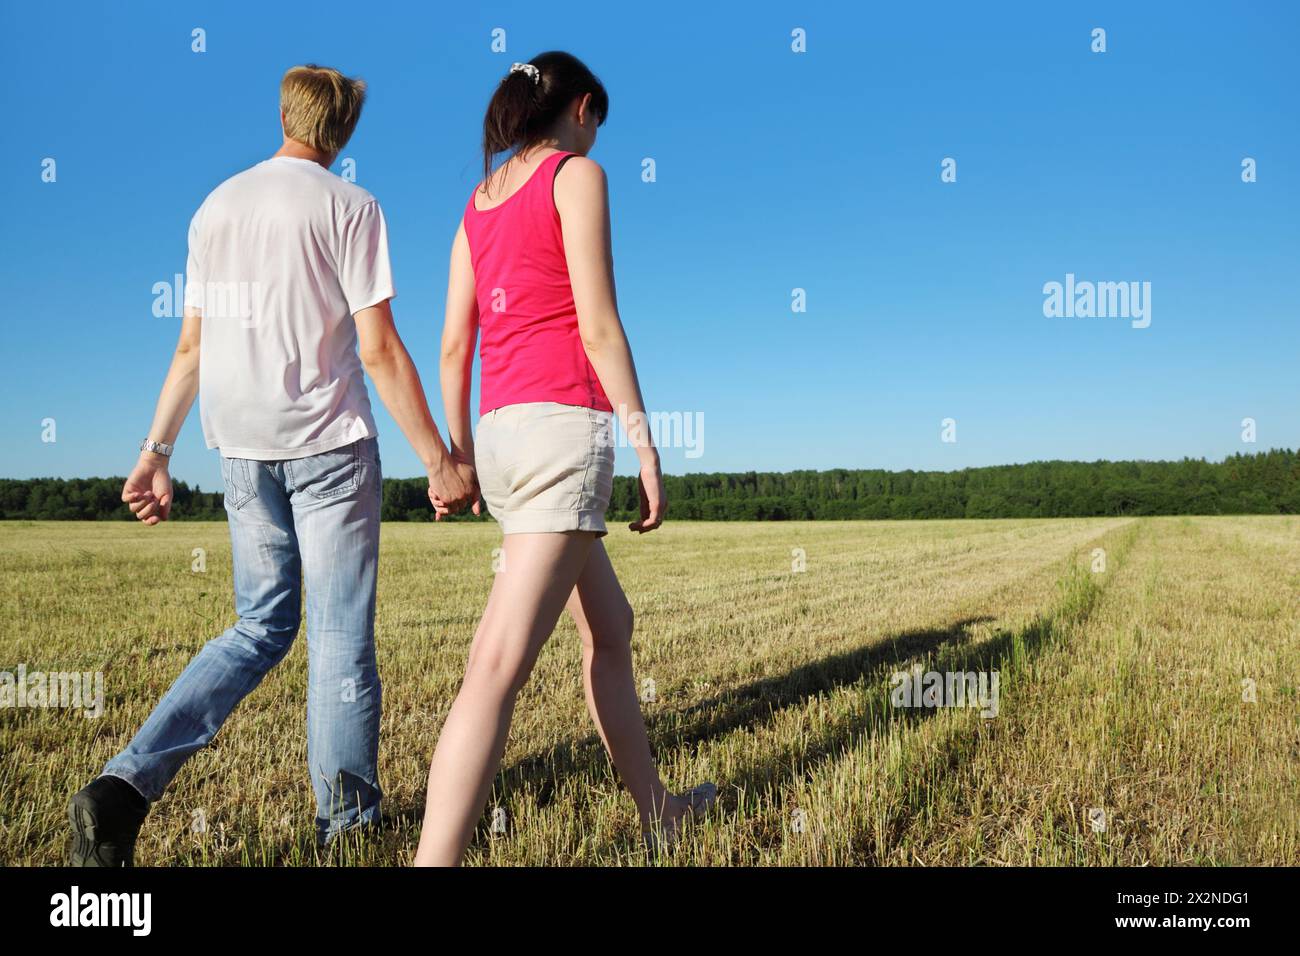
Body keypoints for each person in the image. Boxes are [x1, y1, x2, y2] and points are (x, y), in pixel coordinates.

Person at [68, 64, 475, 866]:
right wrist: (440, 459)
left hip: (241, 451)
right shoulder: (352, 206)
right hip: (327, 446)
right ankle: (348, 832)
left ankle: (120, 791)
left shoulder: (215, 207)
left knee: (258, 627)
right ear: (345, 131)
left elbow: (192, 348)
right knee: (337, 640)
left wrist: (155, 450)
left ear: (284, 113)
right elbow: (380, 349)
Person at [413, 52, 715, 866]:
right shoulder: (576, 176)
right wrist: (646, 442)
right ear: (581, 108)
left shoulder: (476, 207)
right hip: (560, 433)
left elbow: (452, 347)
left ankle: (660, 813)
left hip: (504, 436)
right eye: (595, 122)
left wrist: (461, 457)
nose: (593, 137)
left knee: (610, 627)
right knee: (496, 668)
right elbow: (599, 326)